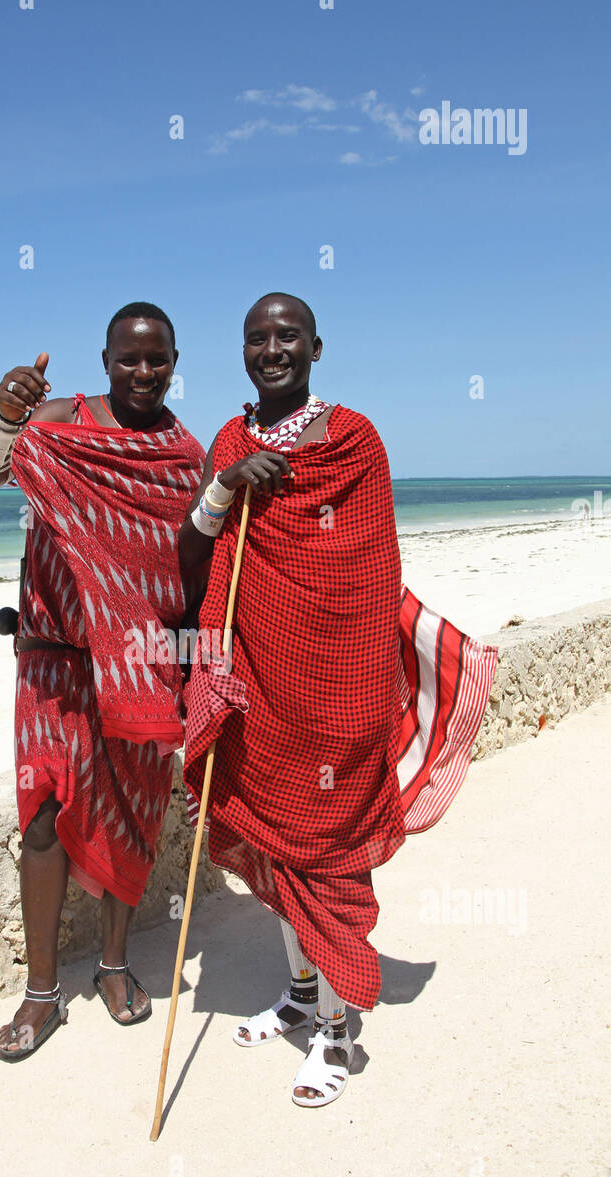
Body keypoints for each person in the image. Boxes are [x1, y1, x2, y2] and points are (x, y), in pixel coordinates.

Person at [179, 293, 497, 1107]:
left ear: (316, 346)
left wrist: (350, 682)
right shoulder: (229, 438)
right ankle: (297, 992)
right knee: (281, 850)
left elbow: (366, 568)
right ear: (242, 351)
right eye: (256, 337)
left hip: (339, 682)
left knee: (330, 852)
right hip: (261, 688)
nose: (272, 348)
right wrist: (226, 482)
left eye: (287, 335)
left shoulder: (354, 440)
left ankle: (338, 1030)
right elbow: (200, 542)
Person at [0, 303, 205, 1060]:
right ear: (104, 360)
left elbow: (191, 561)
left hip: (138, 661)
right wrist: (6, 415)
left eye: (156, 359)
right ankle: (41, 995)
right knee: (41, 813)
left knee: (133, 814)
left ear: (174, 361)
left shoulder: (181, 451)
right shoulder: (60, 417)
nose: (143, 372)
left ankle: (112, 966)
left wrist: (202, 656)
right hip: (53, 654)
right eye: (129, 359)